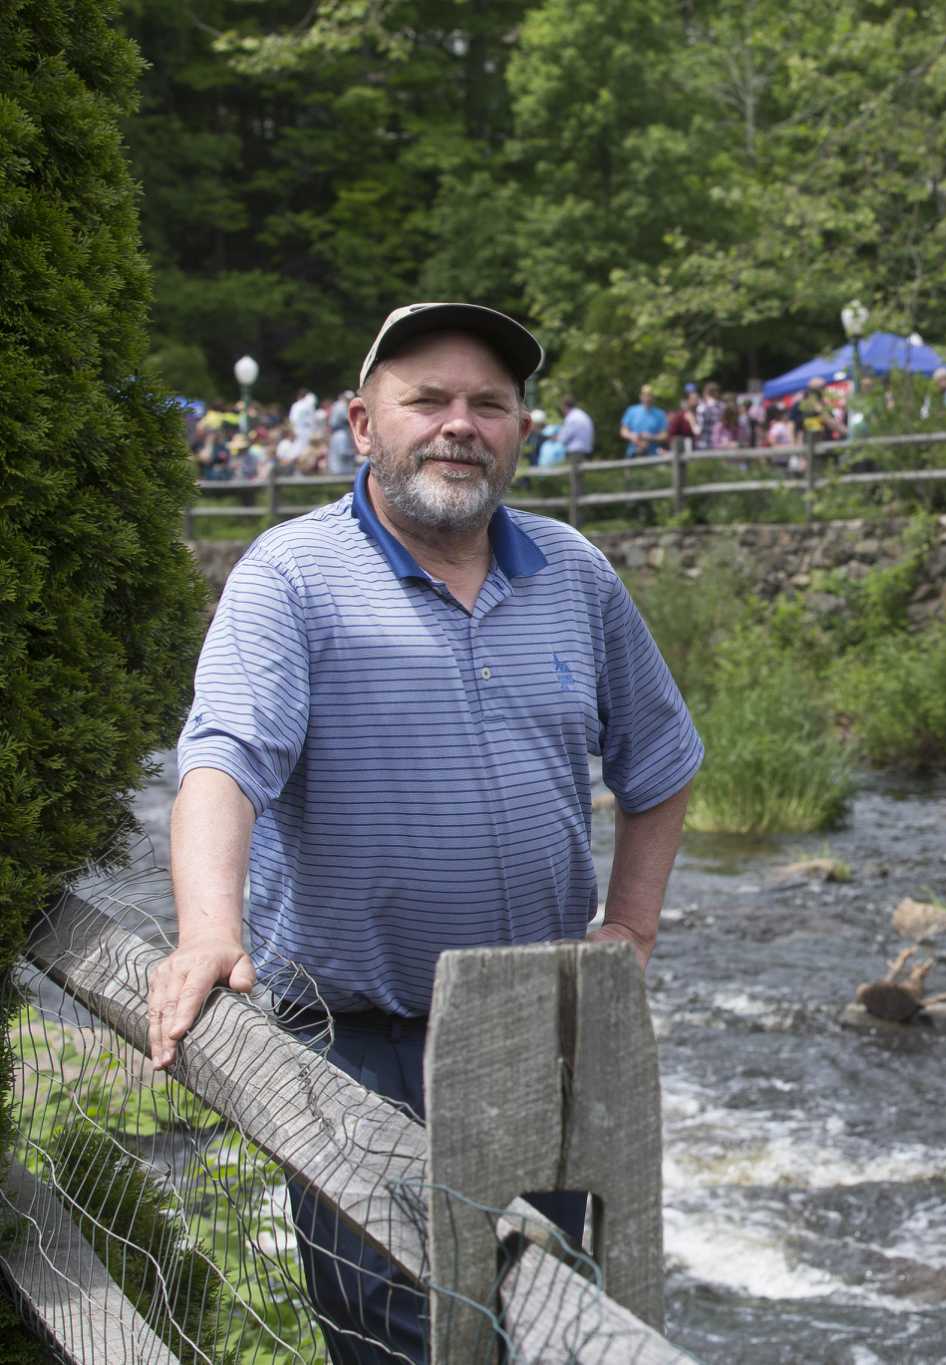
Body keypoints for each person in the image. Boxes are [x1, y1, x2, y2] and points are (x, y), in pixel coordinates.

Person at [147, 301, 700, 1364]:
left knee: (543, 1314)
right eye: (428, 400)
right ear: (362, 424)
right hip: (356, 1045)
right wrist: (208, 930)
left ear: (520, 430)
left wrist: (630, 928)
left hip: (538, 1029)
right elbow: (224, 762)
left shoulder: (574, 574)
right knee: (395, 1339)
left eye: (488, 404)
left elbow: (663, 762)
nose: (460, 424)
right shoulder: (292, 576)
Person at [619, 383, 666, 459]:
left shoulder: (660, 414)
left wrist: (651, 437)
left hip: (653, 455)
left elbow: (664, 435)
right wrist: (632, 436)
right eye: (645, 395)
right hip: (633, 453)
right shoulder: (631, 411)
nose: (647, 398)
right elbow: (623, 431)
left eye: (649, 395)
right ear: (640, 396)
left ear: (653, 397)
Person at [557, 392, 594, 459]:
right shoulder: (582, 414)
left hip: (575, 452)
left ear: (565, 406)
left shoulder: (571, 418)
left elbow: (563, 438)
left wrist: (557, 438)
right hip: (587, 450)